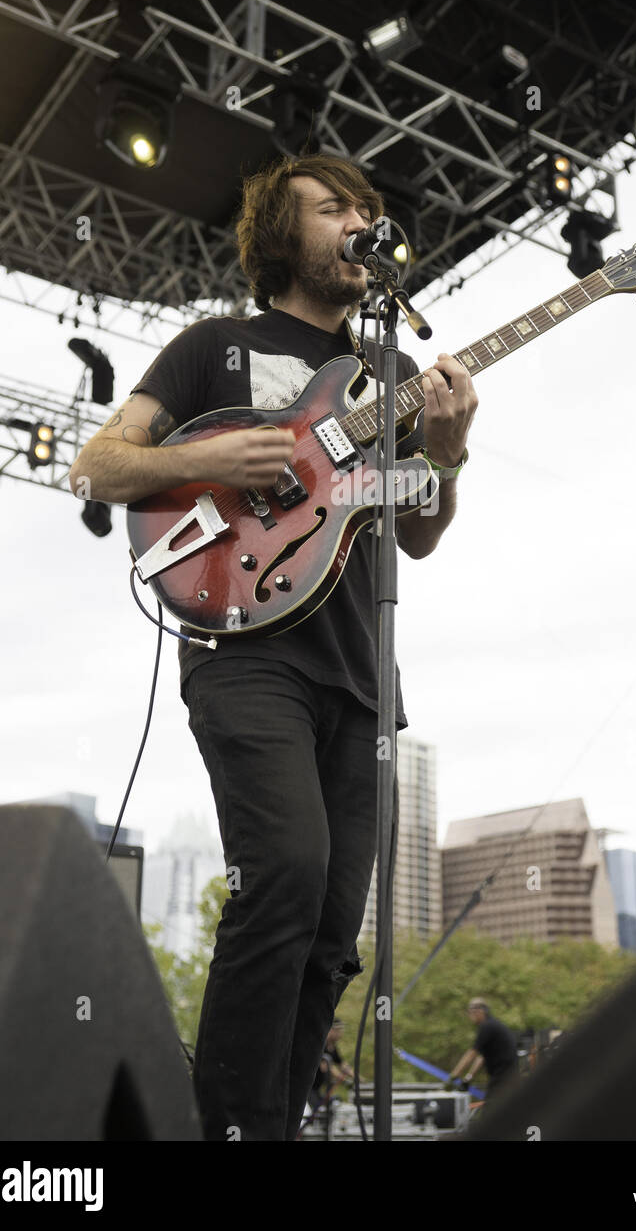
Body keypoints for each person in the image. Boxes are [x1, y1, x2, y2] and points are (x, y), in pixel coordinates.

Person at [68, 152, 478, 1141]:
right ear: (279, 236)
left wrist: (448, 457)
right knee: (284, 874)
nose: (358, 218)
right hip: (247, 653)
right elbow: (98, 462)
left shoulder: (385, 374)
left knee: (333, 938)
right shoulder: (217, 344)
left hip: (364, 679)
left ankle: (267, 1127)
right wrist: (206, 456)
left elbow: (414, 530)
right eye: (334, 205)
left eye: (368, 206)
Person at [447, 998, 519, 1105]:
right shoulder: (491, 1025)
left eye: (471, 1012)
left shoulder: (487, 1026)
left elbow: (471, 1053)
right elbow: (481, 1057)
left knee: (490, 1111)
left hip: (503, 1076)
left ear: (480, 1011)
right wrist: (468, 1078)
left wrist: (453, 1077)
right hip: (505, 1075)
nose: (469, 1015)